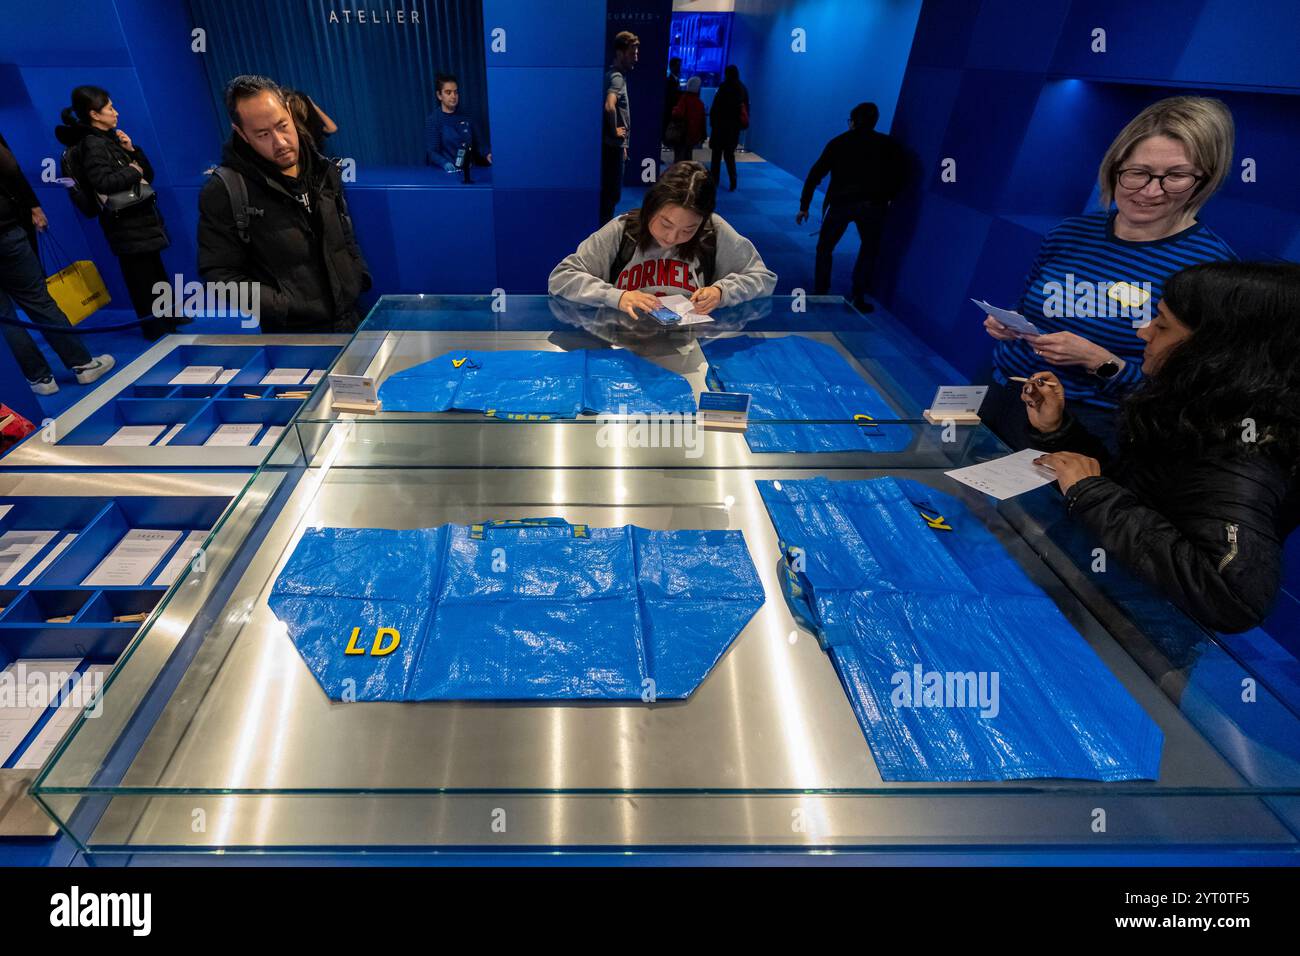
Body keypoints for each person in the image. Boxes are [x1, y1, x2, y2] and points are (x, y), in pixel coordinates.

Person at [1024, 261, 1300, 634]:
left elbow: (1233, 597)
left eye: (1163, 325)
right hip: (1103, 592)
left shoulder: (1244, 458)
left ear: (1218, 349)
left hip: (1135, 635)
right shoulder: (1201, 406)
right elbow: (1142, 496)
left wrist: (1092, 494)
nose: (1143, 332)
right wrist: (1060, 433)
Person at [981, 96, 1237, 451]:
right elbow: (1030, 305)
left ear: (1203, 180)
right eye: (1137, 172)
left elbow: (1187, 394)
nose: (1150, 191)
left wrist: (1099, 361)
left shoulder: (1209, 270)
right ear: (1115, 167)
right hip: (1007, 390)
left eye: (1175, 176)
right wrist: (1010, 325)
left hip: (1089, 424)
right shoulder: (1069, 233)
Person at [197, 74, 371, 334]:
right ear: (242, 134)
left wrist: (357, 275)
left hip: (350, 318)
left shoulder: (325, 170)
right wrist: (282, 307)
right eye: (263, 134)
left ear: (289, 111)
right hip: (293, 333)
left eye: (282, 126)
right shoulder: (226, 190)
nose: (280, 142)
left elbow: (345, 233)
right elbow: (219, 275)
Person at [550, 160, 776, 319]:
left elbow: (763, 279)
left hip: (688, 342)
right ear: (650, 207)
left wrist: (721, 292)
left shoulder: (713, 230)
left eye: (688, 230)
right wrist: (617, 297)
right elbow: (561, 278)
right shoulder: (623, 230)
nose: (671, 237)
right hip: (621, 340)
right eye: (665, 224)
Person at [54, 85, 181, 341]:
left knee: (154, 270)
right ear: (94, 114)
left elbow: (148, 175)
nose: (116, 112)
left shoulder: (111, 140)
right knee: (140, 278)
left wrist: (133, 150)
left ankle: (170, 317)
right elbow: (102, 182)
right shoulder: (92, 144)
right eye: (110, 108)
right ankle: (154, 327)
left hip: (140, 218)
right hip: (123, 222)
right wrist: (134, 170)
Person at [0, 132, 113, 395]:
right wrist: (33, 206)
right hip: (6, 231)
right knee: (38, 301)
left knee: (5, 317)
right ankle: (83, 365)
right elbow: (9, 167)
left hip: (7, 230)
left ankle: (40, 379)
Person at [797, 102, 907, 313]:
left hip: (841, 203)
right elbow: (899, 176)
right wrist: (889, 197)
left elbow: (815, 174)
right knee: (868, 250)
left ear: (853, 121)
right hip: (874, 206)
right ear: (875, 121)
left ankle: (821, 292)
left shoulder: (839, 143)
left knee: (825, 247)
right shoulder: (888, 145)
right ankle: (858, 295)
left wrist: (804, 206)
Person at [600, 30, 639, 225]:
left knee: (609, 196)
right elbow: (609, 105)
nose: (636, 58)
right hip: (612, 147)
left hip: (615, 146)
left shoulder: (613, 75)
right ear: (620, 53)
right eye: (632, 53)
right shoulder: (616, 77)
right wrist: (616, 132)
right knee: (611, 196)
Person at [424, 73, 491, 172]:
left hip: (469, 171)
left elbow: (480, 144)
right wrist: (444, 163)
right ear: (439, 95)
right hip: (446, 173)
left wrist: (487, 154)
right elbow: (432, 151)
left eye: (456, 92)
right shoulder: (434, 120)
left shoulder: (468, 116)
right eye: (448, 92)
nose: (453, 96)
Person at [708, 65, 749, 191]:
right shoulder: (742, 88)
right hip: (733, 129)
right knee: (729, 156)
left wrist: (713, 124)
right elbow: (746, 109)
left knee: (716, 155)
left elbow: (715, 108)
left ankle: (714, 181)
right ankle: (733, 179)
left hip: (720, 128)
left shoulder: (723, 87)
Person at [669, 77, 707, 165]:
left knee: (679, 160)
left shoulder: (684, 99)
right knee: (688, 158)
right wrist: (702, 136)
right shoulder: (699, 103)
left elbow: (677, 114)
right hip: (692, 137)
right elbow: (702, 122)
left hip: (681, 135)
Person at [662, 57, 682, 144]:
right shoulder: (670, 80)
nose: (679, 68)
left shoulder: (675, 80)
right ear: (672, 67)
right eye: (678, 66)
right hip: (670, 109)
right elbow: (671, 97)